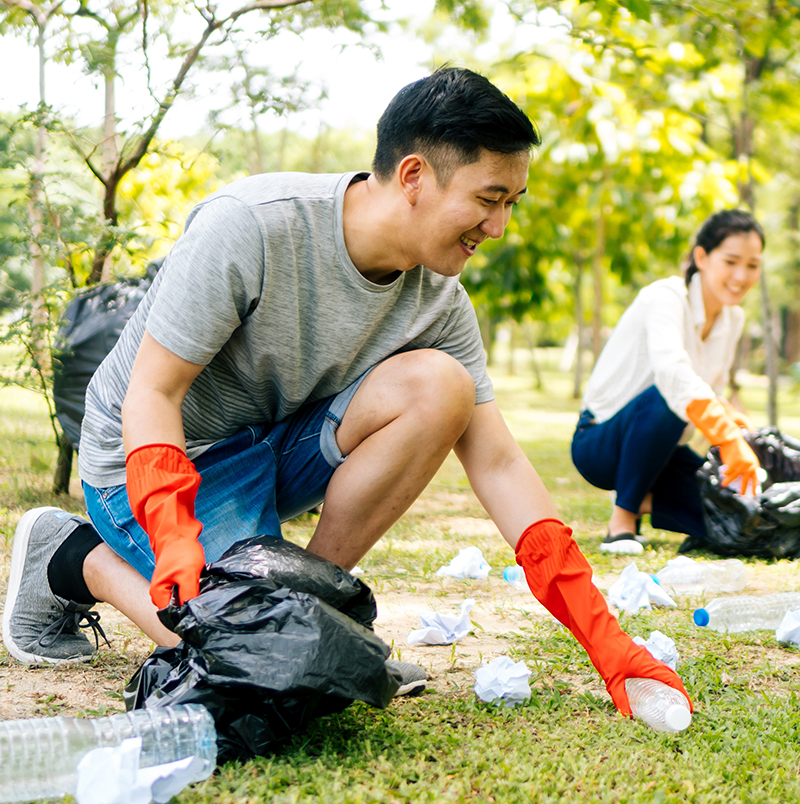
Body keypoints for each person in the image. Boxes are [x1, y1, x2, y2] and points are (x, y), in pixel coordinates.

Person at [2, 67, 690, 717]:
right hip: (152, 457)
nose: (500, 228)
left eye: (511, 203)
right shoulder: (251, 226)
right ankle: (74, 557)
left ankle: (311, 614)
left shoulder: (440, 304)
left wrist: (608, 642)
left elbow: (502, 464)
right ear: (415, 176)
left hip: (270, 451)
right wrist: (172, 527)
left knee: (439, 387)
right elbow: (152, 391)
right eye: (487, 200)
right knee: (256, 664)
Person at [571, 209, 764, 555]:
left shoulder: (733, 318)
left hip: (662, 452)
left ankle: (644, 498)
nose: (741, 275)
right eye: (731, 261)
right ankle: (622, 523)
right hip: (600, 444)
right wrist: (727, 436)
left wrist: (738, 428)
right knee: (669, 392)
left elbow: (708, 392)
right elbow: (674, 376)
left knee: (732, 518)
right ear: (701, 257)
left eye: (752, 265)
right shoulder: (666, 296)